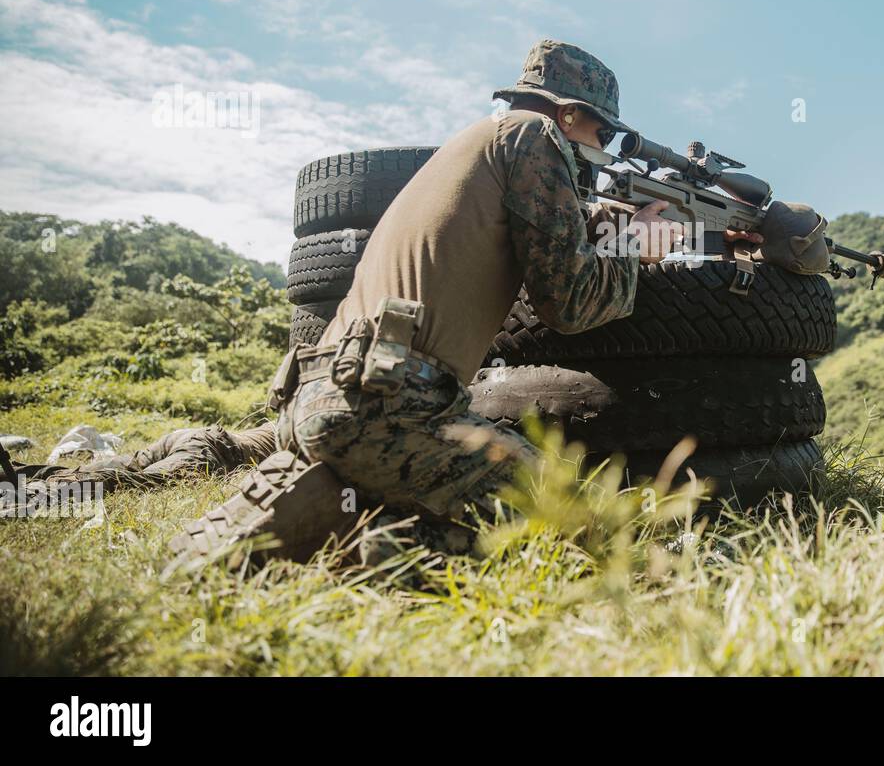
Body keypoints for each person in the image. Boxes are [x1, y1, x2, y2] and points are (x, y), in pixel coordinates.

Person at [180, 39, 715, 555]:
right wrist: (634, 248)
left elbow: (560, 226)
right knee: (583, 522)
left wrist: (680, 231)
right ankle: (384, 554)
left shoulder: (485, 142)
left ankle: (329, 507)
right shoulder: (536, 136)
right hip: (390, 406)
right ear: (570, 115)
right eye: (603, 131)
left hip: (326, 392)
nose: (602, 150)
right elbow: (569, 305)